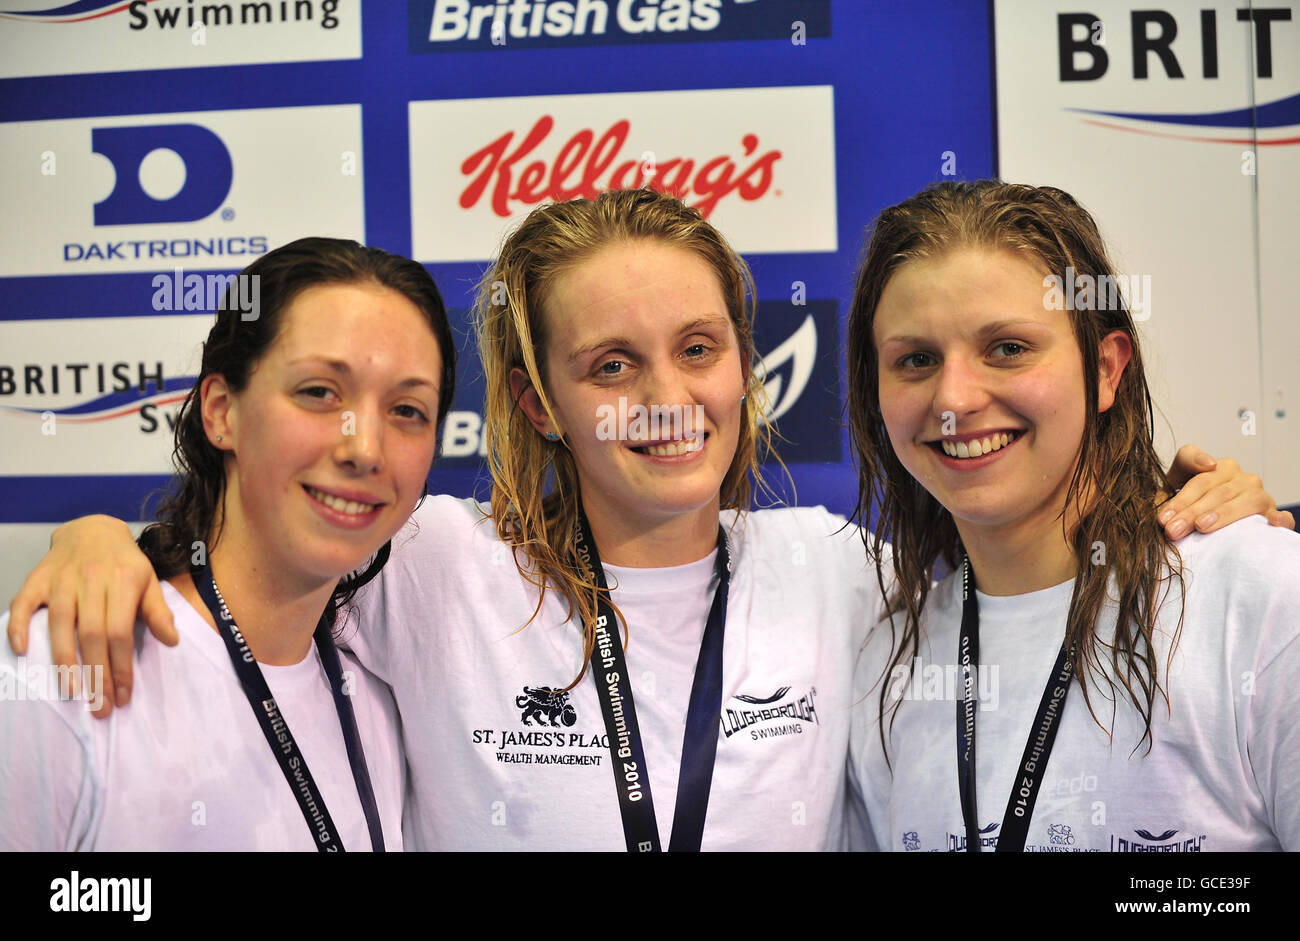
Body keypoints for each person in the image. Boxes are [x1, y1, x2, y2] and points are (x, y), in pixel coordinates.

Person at [5, 190, 1289, 852]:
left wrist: (1220, 506)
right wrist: (109, 540)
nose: (666, 400)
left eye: (696, 349)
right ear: (539, 400)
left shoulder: (846, 576)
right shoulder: (436, 564)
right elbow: (277, 549)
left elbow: (1040, 559)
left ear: (749, 364)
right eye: (610, 366)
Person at [845, 181, 1300, 853]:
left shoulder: (1260, 601)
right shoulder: (887, 663)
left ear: (1106, 368)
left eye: (1007, 348)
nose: (954, 398)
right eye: (916, 359)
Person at [0, 237, 457, 850]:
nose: (365, 449)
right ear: (221, 411)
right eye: (319, 392)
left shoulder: (376, 694)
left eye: (407, 409)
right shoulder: (59, 673)